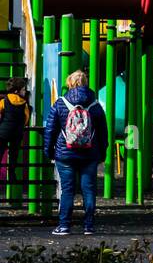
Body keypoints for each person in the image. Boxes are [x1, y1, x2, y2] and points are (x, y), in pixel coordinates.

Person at [44, 69, 109, 236]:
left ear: (70, 83)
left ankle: (64, 226)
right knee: (89, 190)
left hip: (65, 153)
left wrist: (49, 151)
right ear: (85, 83)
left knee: (67, 190)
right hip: (90, 153)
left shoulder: (60, 103)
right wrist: (102, 152)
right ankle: (88, 226)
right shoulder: (95, 105)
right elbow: (103, 132)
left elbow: (50, 130)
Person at [0, 76, 30, 191]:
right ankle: (11, 174)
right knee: (13, 155)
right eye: (23, 89)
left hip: (3, 133)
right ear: (17, 91)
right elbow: (26, 119)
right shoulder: (24, 104)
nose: (25, 91)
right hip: (16, 134)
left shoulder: (4, 101)